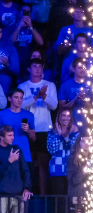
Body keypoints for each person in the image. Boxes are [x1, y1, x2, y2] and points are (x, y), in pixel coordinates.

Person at [19, 58, 57, 195]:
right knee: (28, 162)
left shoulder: (50, 85)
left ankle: (42, 194)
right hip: (27, 128)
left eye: (40, 66)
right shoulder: (23, 86)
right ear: (29, 69)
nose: (37, 69)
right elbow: (20, 105)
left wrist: (44, 95)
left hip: (44, 128)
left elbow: (54, 106)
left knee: (43, 163)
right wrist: (36, 97)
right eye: (34, 66)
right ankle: (26, 191)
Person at [0, 126, 31, 213]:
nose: (13, 137)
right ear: (2, 137)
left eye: (13, 134)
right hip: (3, 195)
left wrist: (27, 187)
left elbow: (25, 170)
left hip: (18, 195)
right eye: (9, 135)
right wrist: (9, 161)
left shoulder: (17, 149)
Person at [0, 89, 36, 170]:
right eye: (16, 97)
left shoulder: (29, 115)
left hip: (25, 155)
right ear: (9, 98)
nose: (19, 100)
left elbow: (34, 138)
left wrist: (28, 131)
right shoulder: (1, 114)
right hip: (7, 155)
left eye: (21, 98)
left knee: (27, 181)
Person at [46, 109, 79, 196]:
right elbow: (52, 150)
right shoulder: (52, 132)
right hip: (57, 170)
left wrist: (68, 135)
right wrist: (59, 135)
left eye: (68, 116)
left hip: (71, 170)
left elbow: (73, 148)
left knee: (70, 201)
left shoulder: (75, 132)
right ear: (59, 117)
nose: (66, 118)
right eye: (63, 115)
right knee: (58, 201)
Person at [57, 58, 89, 128]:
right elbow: (62, 108)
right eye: (80, 68)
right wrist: (75, 99)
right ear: (73, 69)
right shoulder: (65, 85)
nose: (83, 70)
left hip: (87, 123)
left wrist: (85, 100)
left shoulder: (91, 85)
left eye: (84, 67)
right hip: (70, 123)